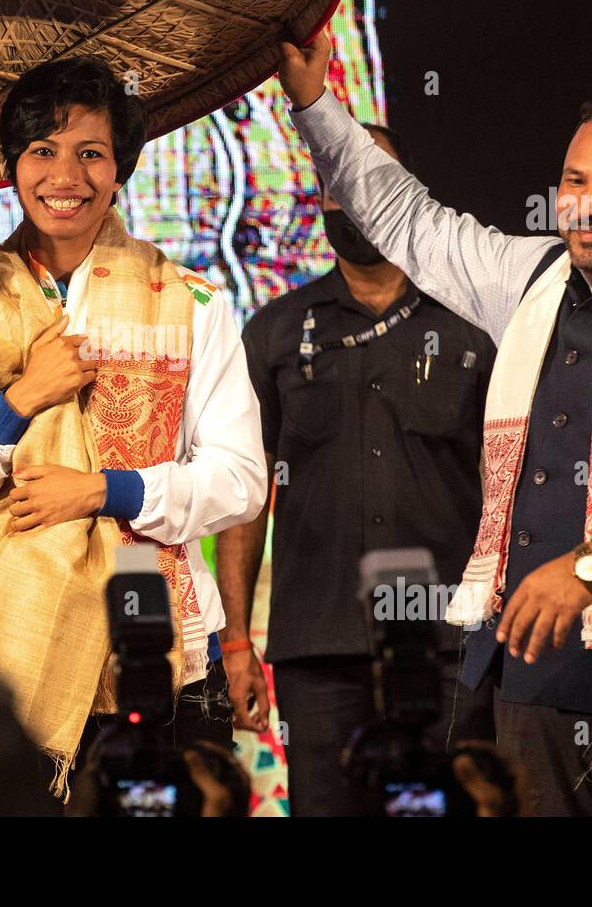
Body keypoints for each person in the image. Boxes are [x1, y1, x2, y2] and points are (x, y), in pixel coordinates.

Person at [275, 30, 592, 815]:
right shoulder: (534, 276)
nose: (585, 202)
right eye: (574, 180)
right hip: (531, 688)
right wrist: (314, 104)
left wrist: (591, 566)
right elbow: (413, 221)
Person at [0, 56, 267, 796]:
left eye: (90, 153)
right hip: (13, 667)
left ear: (120, 170)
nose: (63, 175)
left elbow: (240, 481)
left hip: (169, 662)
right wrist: (18, 403)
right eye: (42, 150)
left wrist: (103, 490)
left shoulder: (194, 303)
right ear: (13, 166)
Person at [216, 126, 496, 816]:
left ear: (409, 193)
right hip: (319, 648)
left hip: (450, 643)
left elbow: (514, 483)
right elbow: (244, 497)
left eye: (373, 179)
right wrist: (234, 639)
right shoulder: (276, 332)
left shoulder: (476, 326)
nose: (354, 200)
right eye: (336, 185)